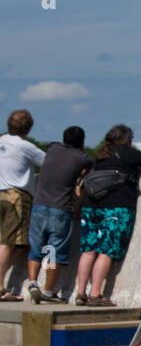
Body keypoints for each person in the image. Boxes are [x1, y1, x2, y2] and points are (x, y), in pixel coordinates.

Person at [74, 124, 141, 306]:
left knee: (88, 250)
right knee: (106, 251)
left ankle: (80, 292)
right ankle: (96, 294)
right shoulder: (129, 153)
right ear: (128, 139)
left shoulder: (99, 157)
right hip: (116, 207)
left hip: (91, 206)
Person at [25, 126, 93, 303]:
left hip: (39, 205)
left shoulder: (53, 148)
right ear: (82, 142)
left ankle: (32, 282)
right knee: (54, 252)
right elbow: (84, 178)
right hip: (61, 208)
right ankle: (48, 291)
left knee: (36, 248)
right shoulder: (83, 158)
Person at [0, 110, 45, 300]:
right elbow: (49, 163)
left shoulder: (2, 141)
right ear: (28, 128)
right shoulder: (26, 147)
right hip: (16, 197)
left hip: (1, 194)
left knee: (18, 244)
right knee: (9, 243)